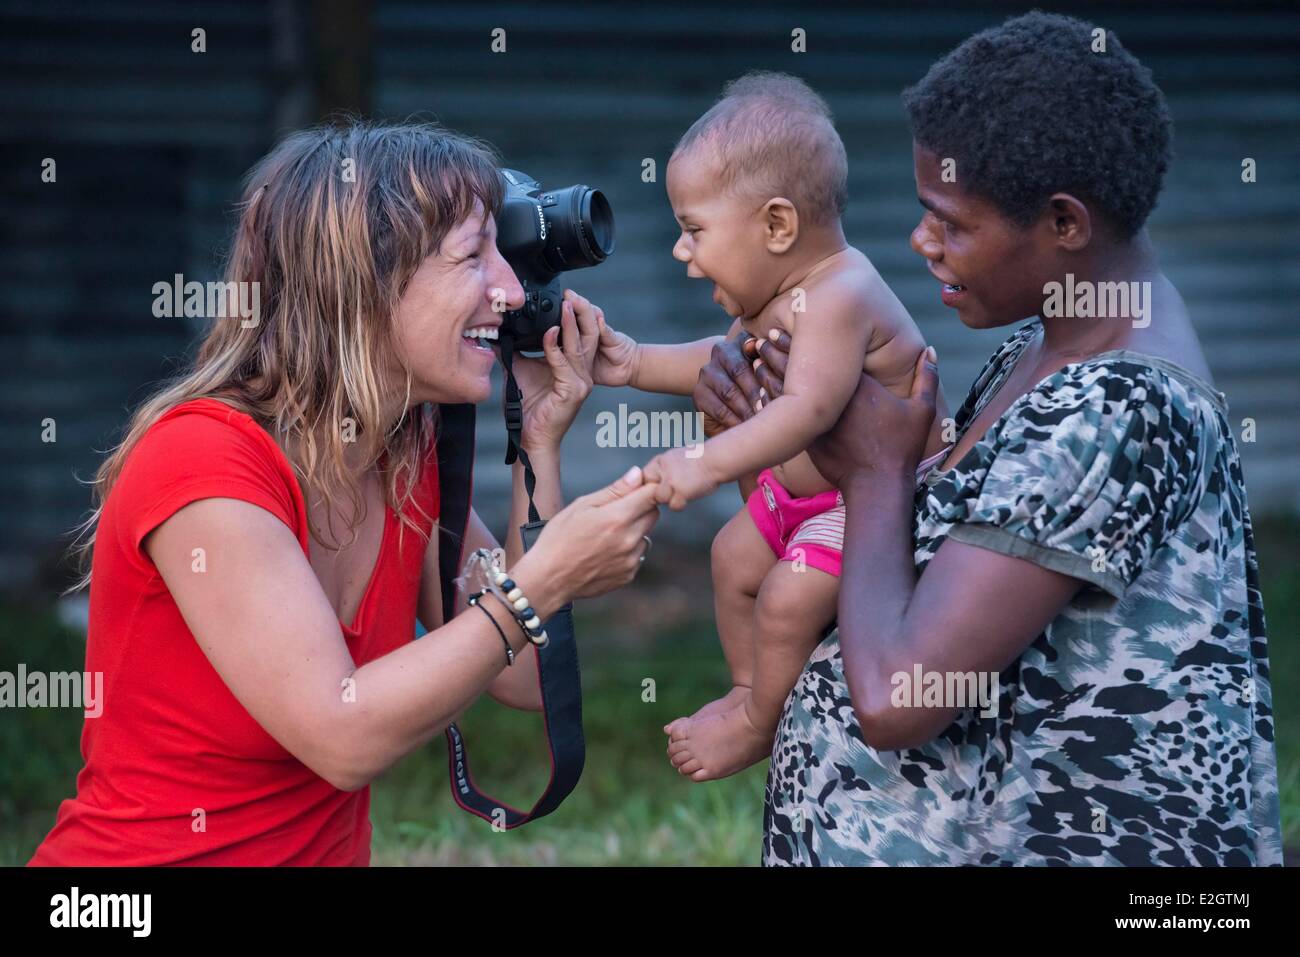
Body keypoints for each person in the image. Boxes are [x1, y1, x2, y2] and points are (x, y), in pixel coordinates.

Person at [684, 12, 1282, 865]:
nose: (920, 242)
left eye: (951, 222)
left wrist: (879, 475)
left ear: (1066, 223)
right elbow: (873, 562)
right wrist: (768, 429)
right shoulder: (1037, 353)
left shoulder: (1115, 407)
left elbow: (900, 696)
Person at [30, 121, 660, 866]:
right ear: (362, 285)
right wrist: (548, 577)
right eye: (472, 256)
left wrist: (538, 446)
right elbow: (342, 735)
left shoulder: (401, 455)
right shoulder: (199, 461)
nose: (513, 290)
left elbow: (522, 673)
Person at [593, 72, 949, 781]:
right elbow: (721, 362)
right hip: (802, 502)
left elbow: (807, 410)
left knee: (786, 595)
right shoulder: (775, 297)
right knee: (731, 556)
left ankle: (761, 720)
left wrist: (709, 460)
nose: (680, 252)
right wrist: (632, 361)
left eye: (694, 230)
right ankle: (748, 686)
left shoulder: (840, 294)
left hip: (866, 509)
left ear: (778, 226)